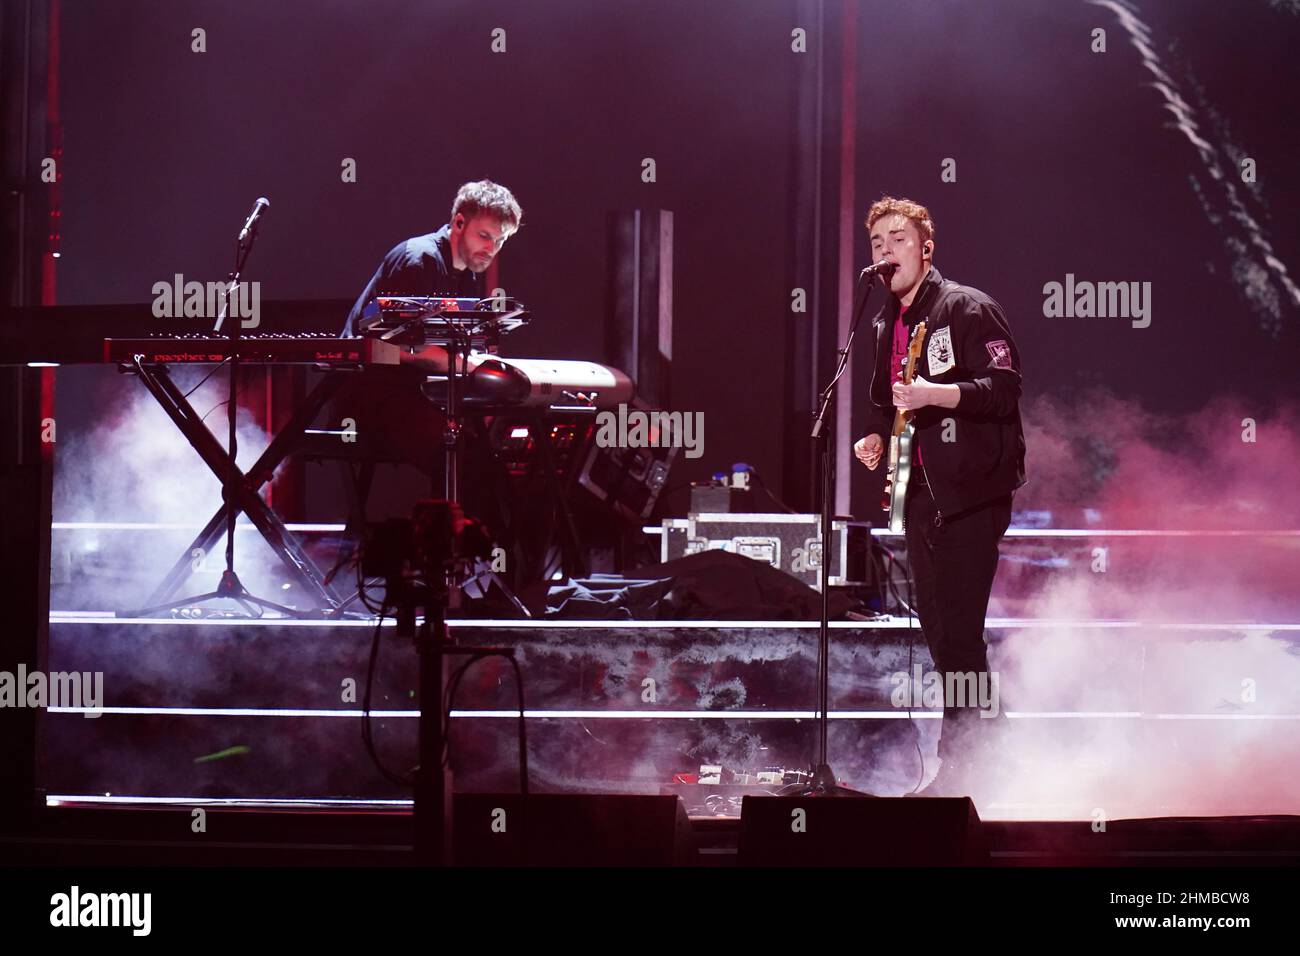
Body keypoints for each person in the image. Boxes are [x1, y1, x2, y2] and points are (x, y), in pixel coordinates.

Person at [852, 196, 1026, 797]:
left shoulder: (967, 308)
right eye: (876, 244)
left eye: (897, 240)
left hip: (972, 494)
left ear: (927, 247)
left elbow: (1003, 391)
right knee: (938, 632)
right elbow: (884, 400)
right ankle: (992, 748)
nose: (885, 252)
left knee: (958, 634)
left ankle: (966, 767)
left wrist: (935, 395)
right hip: (921, 495)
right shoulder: (882, 322)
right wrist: (875, 436)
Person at [335, 179, 522, 479]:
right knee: (465, 459)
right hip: (371, 397)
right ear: (458, 222)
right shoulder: (418, 259)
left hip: (412, 395)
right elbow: (385, 345)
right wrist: (463, 364)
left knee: (488, 455)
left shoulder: (465, 275)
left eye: (500, 241)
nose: (491, 249)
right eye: (485, 236)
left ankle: (456, 523)